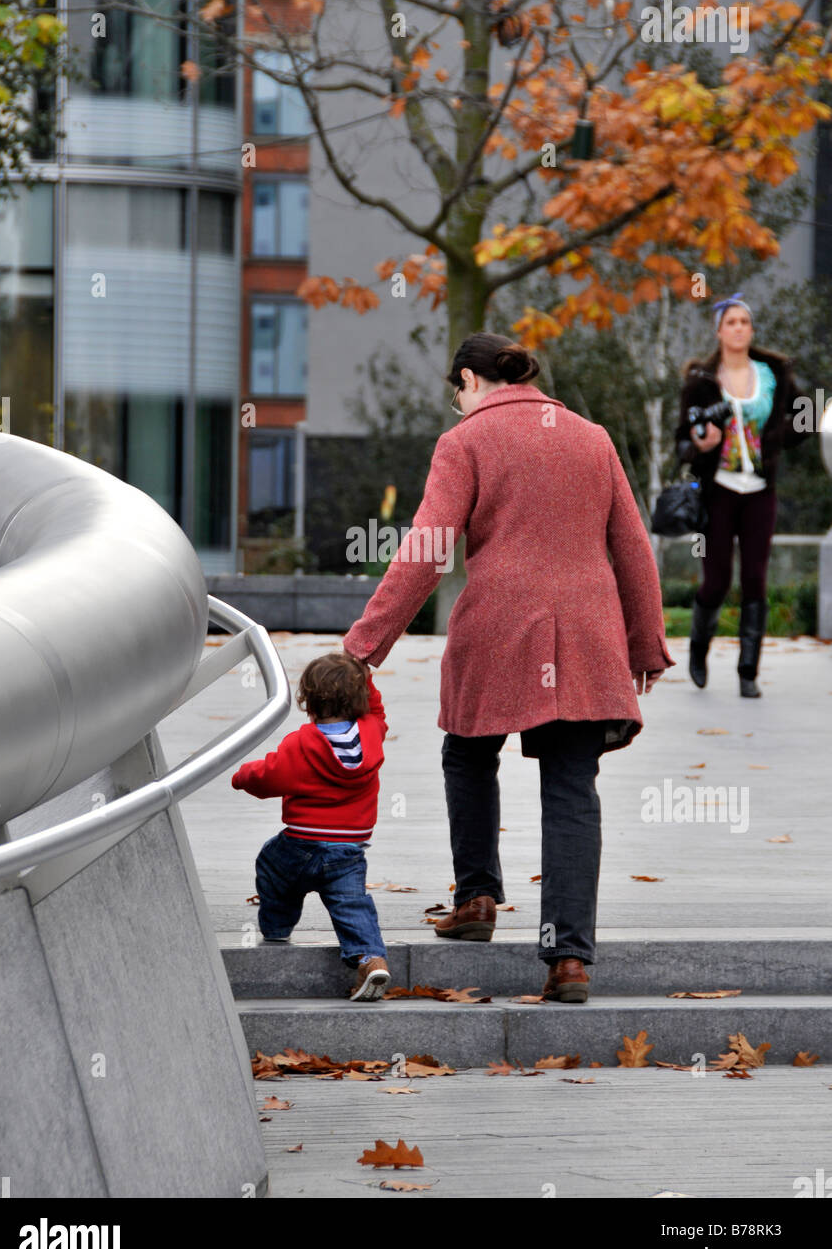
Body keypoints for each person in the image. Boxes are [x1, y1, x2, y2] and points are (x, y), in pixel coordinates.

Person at [343, 332, 675, 1004]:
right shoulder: (592, 437)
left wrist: (362, 649)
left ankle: (477, 899)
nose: (458, 403)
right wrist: (645, 644)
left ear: (467, 379)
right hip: (586, 635)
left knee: (467, 754)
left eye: (456, 392)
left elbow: (426, 550)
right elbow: (632, 547)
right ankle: (568, 959)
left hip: (497, 627)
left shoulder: (464, 442)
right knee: (571, 788)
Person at [231, 652, 391, 1001]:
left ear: (309, 702)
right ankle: (370, 958)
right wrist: (366, 674)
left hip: (299, 846)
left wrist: (242, 777)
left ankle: (276, 926)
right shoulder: (372, 734)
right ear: (361, 701)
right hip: (348, 853)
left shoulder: (300, 744)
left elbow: (269, 777)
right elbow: (377, 711)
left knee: (271, 869)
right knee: (352, 906)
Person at [675, 293, 812, 697]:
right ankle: (698, 650)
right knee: (715, 580)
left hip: (759, 490)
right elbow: (681, 438)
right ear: (719, 331)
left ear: (751, 331)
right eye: (731, 322)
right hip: (717, 491)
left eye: (744, 322)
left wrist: (776, 440)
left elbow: (808, 410)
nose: (738, 328)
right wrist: (700, 444)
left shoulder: (774, 374)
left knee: (755, 578)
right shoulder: (701, 380)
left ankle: (747, 672)